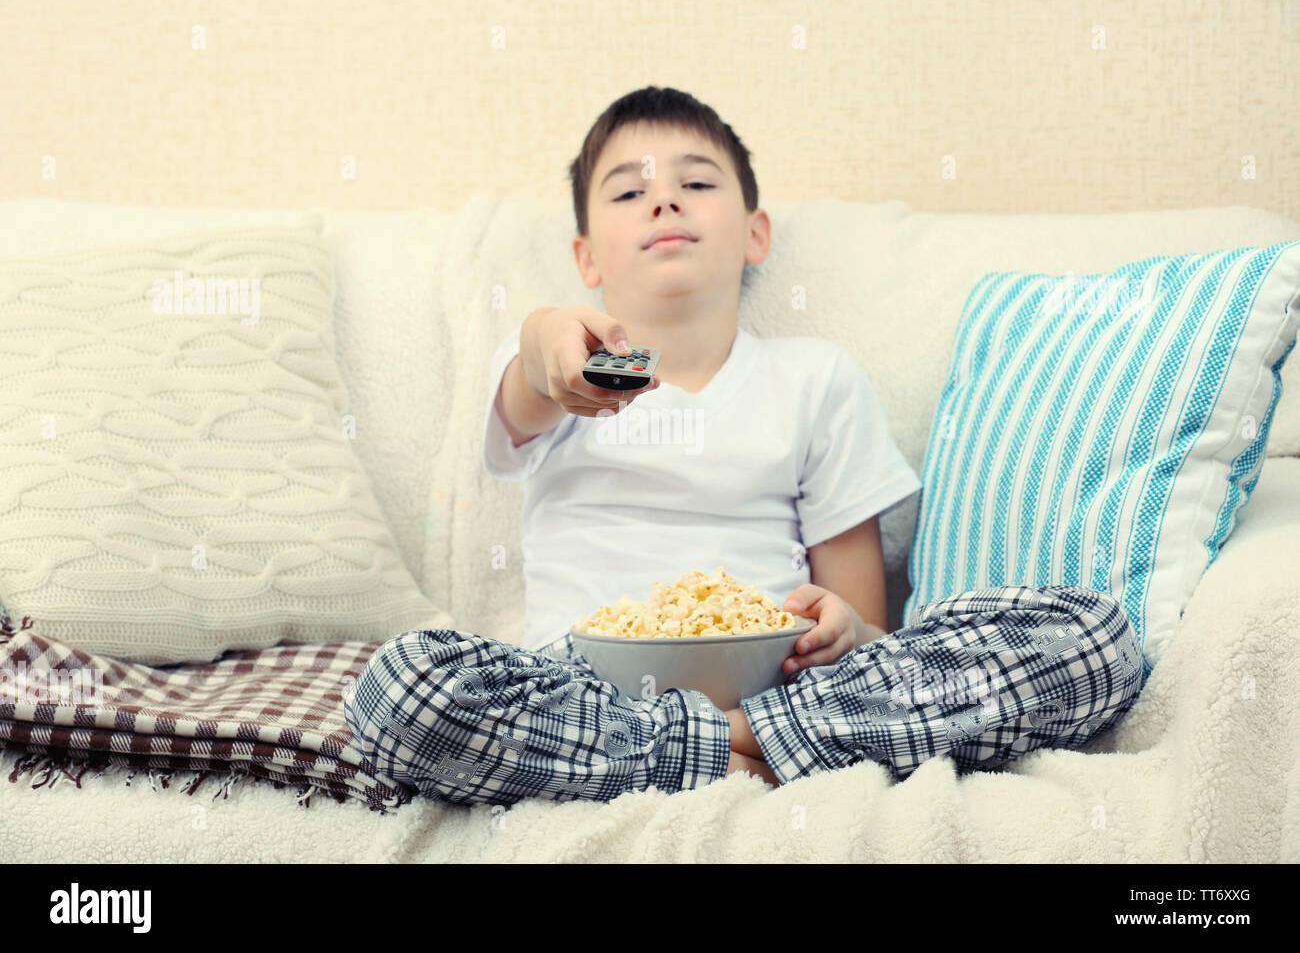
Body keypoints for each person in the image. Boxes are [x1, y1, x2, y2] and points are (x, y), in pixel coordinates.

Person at [343, 86, 1143, 806]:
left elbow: (860, 624)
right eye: (630, 191)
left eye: (694, 183)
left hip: (780, 678)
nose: (664, 202)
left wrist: (848, 633)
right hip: (586, 686)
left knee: (1093, 640)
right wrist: (545, 340)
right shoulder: (567, 371)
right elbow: (534, 380)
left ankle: (708, 752)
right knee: (402, 689)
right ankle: (760, 756)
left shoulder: (814, 379)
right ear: (585, 256)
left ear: (755, 234)